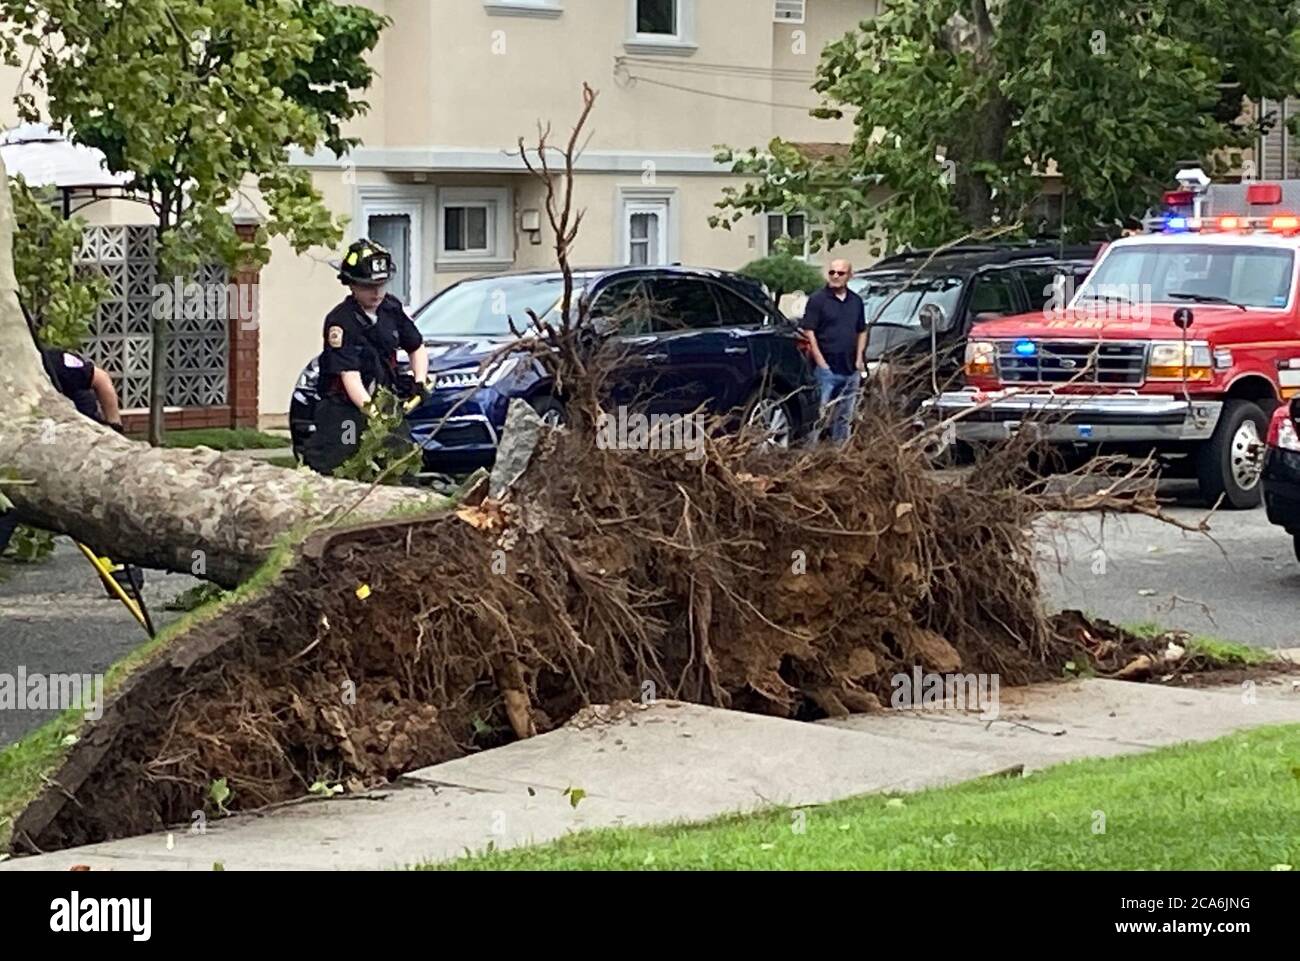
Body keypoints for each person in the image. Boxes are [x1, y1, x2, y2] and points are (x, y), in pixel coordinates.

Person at [303, 239, 430, 475]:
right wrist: (372, 413)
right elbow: (349, 377)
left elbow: (416, 346)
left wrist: (419, 382)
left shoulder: (391, 309)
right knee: (343, 455)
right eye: (368, 286)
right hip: (346, 409)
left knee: (401, 460)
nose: (376, 292)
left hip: (386, 404)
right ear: (351, 285)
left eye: (381, 285)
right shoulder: (341, 322)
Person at [1, 318, 126, 554]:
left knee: (94, 506)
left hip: (85, 437)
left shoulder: (55, 361)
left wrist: (114, 427)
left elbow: (102, 380)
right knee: (12, 494)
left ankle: (120, 571)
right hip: (43, 439)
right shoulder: (10, 373)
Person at [801, 259, 867, 444]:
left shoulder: (856, 301)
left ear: (849, 276)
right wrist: (821, 362)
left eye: (840, 273)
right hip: (826, 370)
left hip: (850, 369)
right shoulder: (818, 300)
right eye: (832, 272)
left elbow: (862, 330)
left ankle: (840, 455)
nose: (835, 276)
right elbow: (809, 331)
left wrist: (859, 359)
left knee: (844, 417)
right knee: (818, 416)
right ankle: (809, 457)